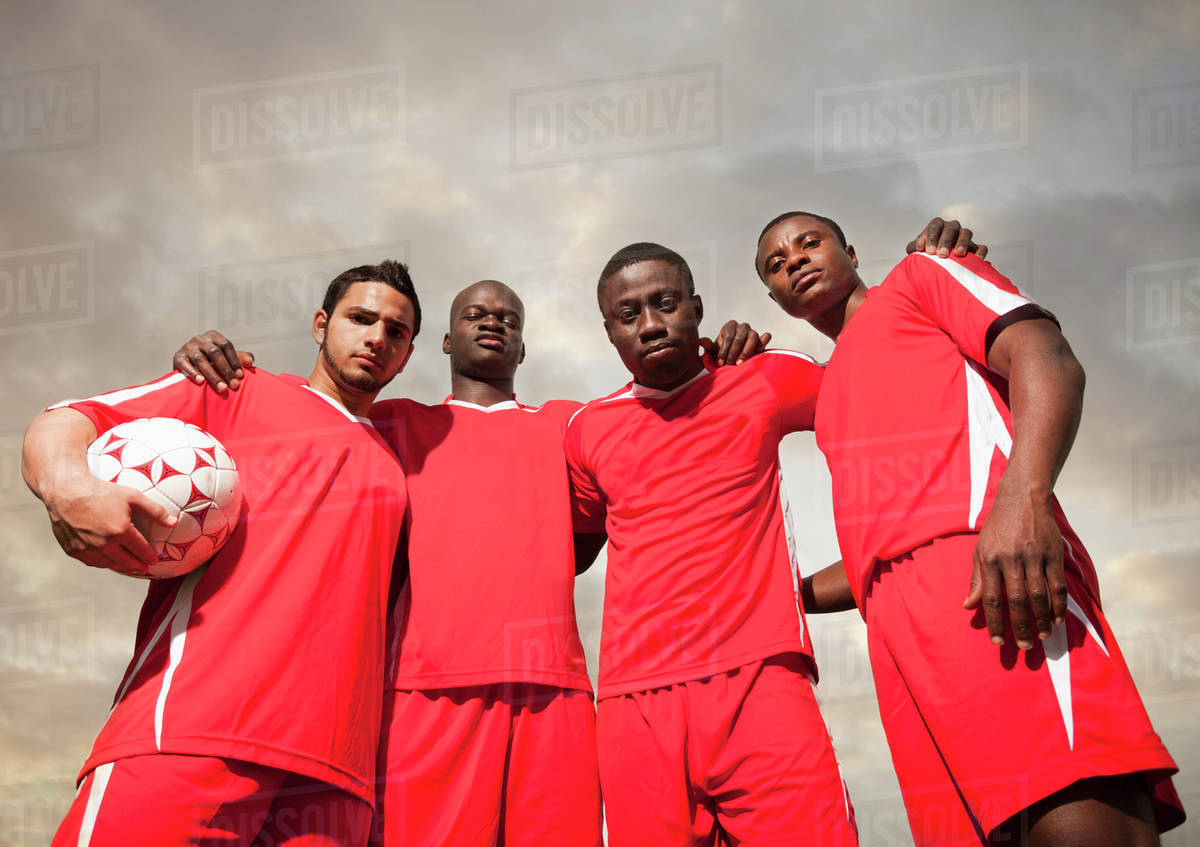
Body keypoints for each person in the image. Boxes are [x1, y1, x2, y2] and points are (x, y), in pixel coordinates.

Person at [172, 280, 768, 847]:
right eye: (475, 316)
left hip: (551, 693)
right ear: (446, 342)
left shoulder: (566, 422)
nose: (493, 323)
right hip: (426, 692)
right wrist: (222, 363)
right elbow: (313, 412)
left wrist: (713, 359)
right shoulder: (399, 421)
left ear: (523, 346)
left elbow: (617, 481)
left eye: (508, 319)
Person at [753, 211, 1186, 846]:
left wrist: (1024, 499)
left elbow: (1050, 357)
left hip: (996, 579)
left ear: (849, 248)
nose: (793, 259)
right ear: (773, 298)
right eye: (775, 263)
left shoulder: (924, 274)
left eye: (808, 242)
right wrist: (769, 596)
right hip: (899, 639)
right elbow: (878, 549)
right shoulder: (829, 389)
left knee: (1072, 802)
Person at [22, 261, 420, 846]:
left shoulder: (399, 465)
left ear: (408, 354)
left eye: (396, 331)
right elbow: (68, 420)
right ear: (320, 324)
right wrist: (70, 490)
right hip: (191, 727)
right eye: (361, 318)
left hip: (336, 775)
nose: (377, 337)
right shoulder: (235, 387)